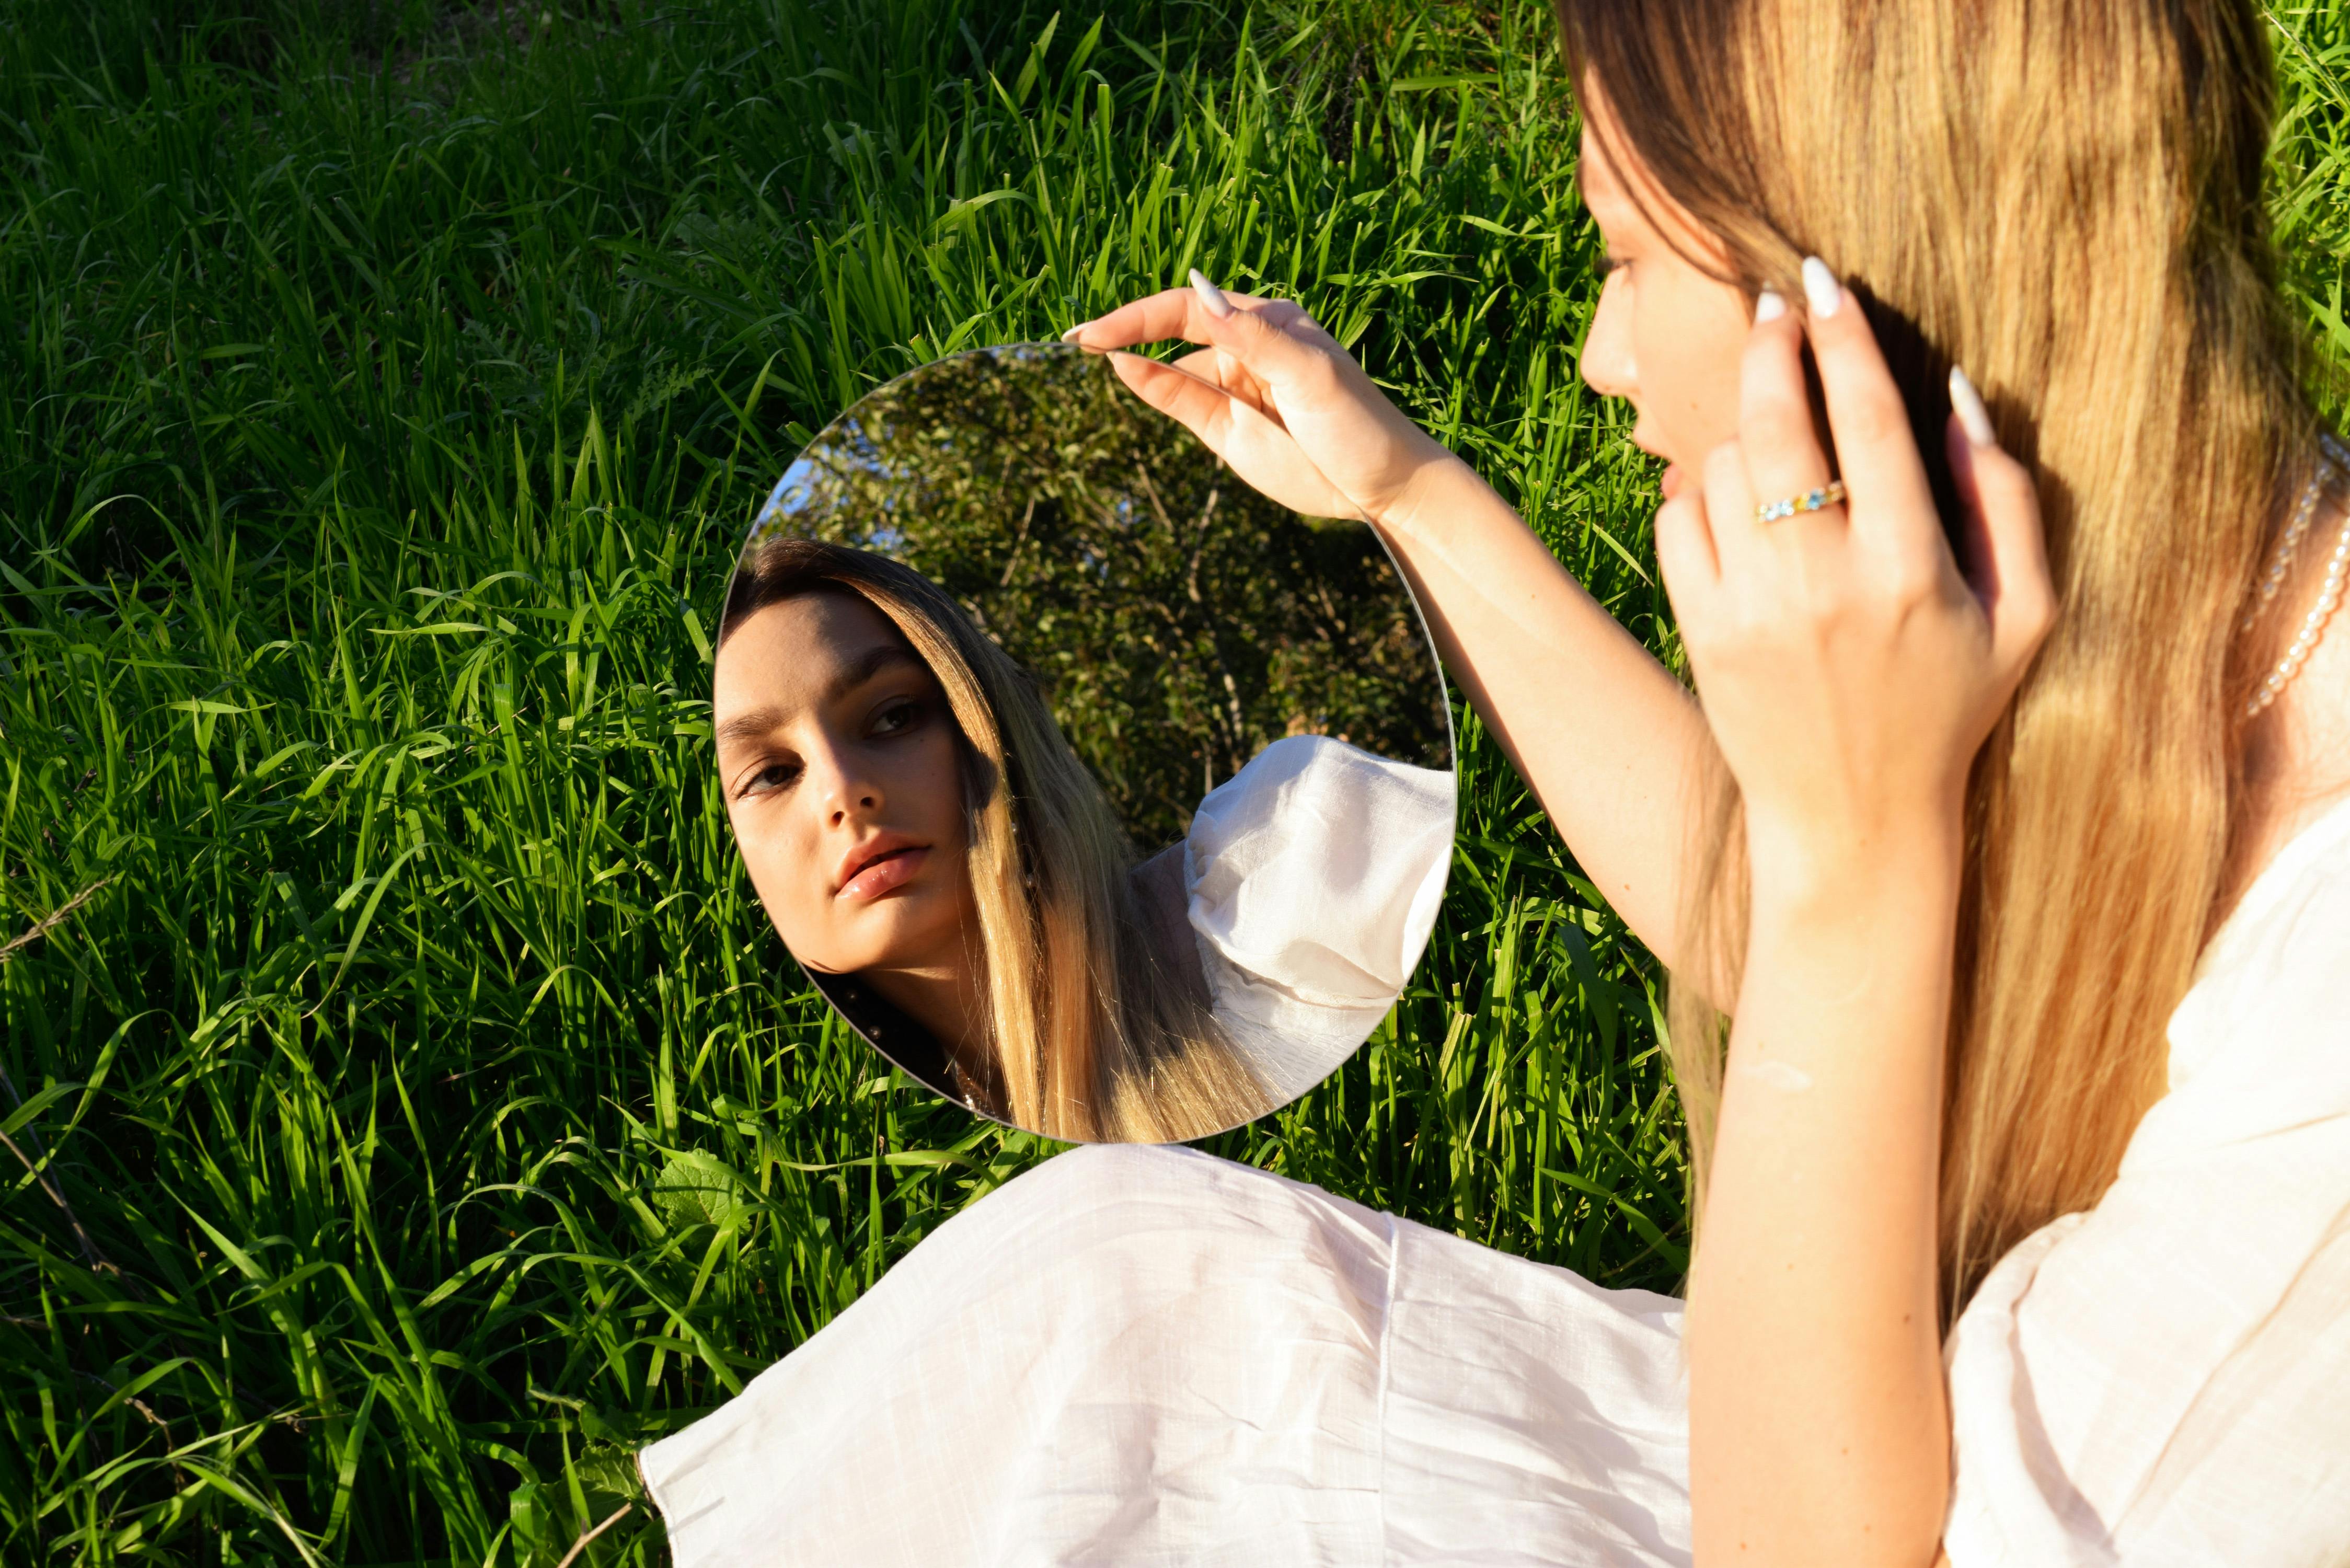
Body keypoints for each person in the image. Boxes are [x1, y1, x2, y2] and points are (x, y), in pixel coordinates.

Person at [646, 0, 2350, 1561]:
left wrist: (1852, 853)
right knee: (1123, 1286)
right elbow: (1851, 980)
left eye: (1618, 258)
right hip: (1853, 1423)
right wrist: (1408, 497)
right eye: (765, 773)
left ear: (1844, 300)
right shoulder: (2239, 573)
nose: (1601, 359)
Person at [712, 536, 1454, 1140]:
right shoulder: (869, 1162)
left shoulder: (1289, 856)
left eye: (894, 717)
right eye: (772, 774)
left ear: (987, 725)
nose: (844, 790)